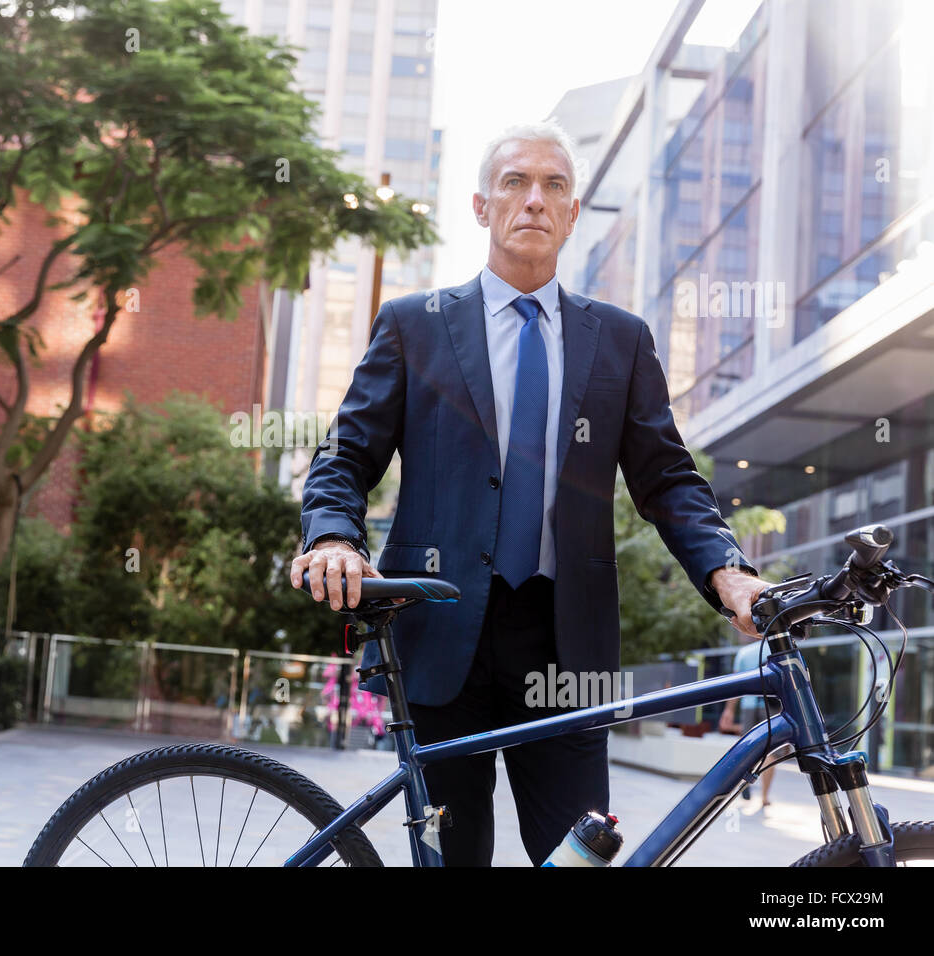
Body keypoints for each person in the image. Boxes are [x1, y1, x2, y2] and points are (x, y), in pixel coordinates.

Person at [290, 121, 773, 866]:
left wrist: (726, 571)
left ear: (574, 214)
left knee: (579, 854)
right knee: (453, 857)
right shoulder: (414, 327)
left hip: (565, 642)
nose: (534, 200)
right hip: (441, 623)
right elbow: (345, 454)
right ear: (482, 207)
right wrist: (331, 536)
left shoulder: (620, 339)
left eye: (554, 186)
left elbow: (668, 478)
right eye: (515, 182)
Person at [719, 635, 779, 809]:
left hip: (749, 706)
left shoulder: (744, 653)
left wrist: (729, 710)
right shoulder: (775, 648)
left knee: (749, 748)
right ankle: (765, 796)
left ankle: (745, 781)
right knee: (770, 753)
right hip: (771, 705)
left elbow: (736, 685)